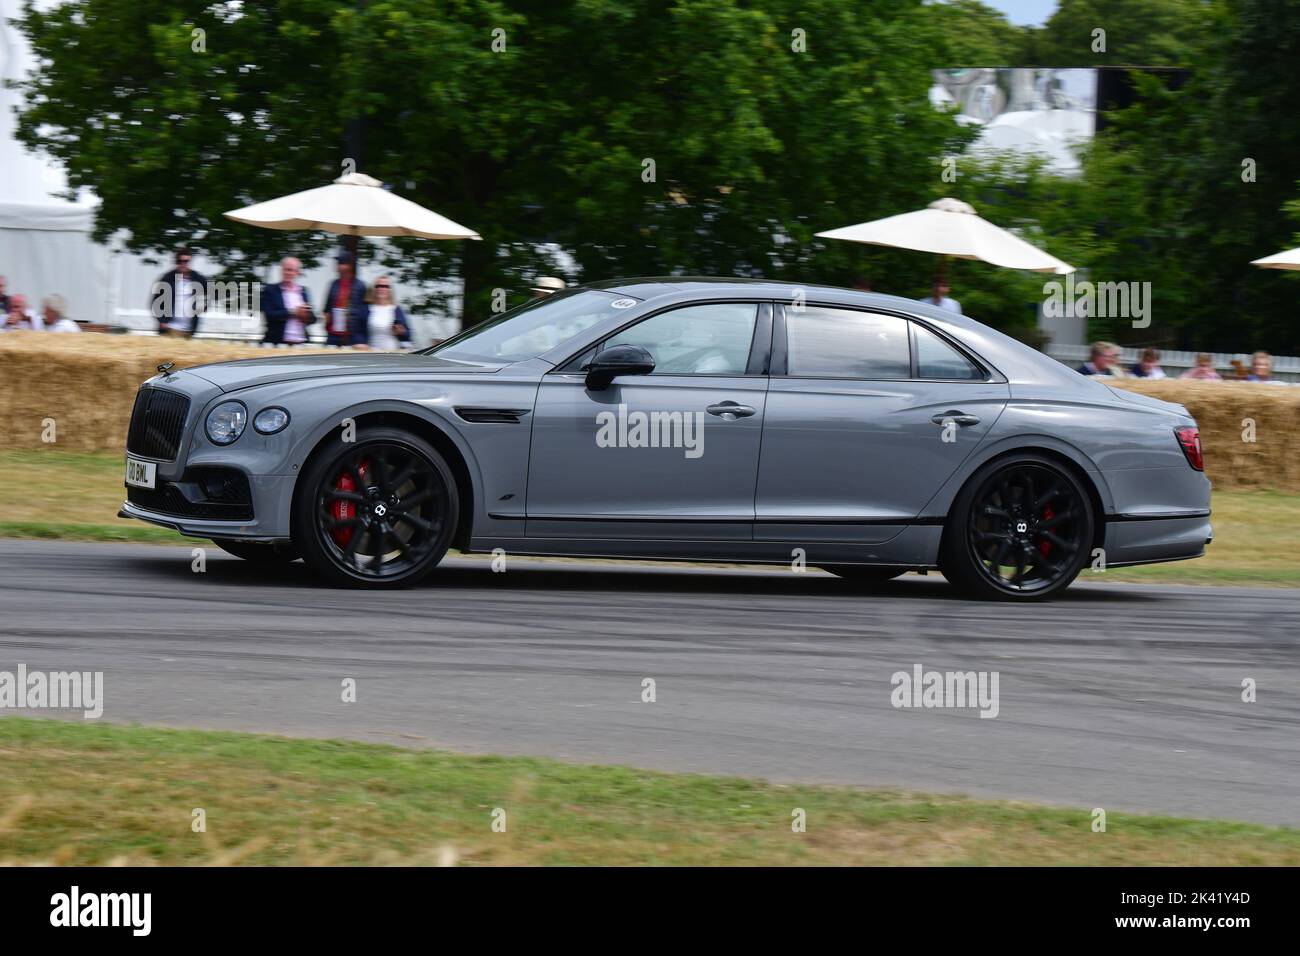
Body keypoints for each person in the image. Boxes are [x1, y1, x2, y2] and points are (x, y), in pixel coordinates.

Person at [151, 247, 206, 337]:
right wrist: (162, 321)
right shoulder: (167, 279)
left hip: (189, 330)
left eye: (186, 261)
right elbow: (154, 303)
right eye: (181, 261)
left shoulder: (197, 278)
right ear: (176, 262)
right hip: (170, 328)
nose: (183, 264)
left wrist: (204, 305)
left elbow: (210, 292)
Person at [261, 257, 315, 346]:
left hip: (300, 342)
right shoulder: (271, 290)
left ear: (297, 273)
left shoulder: (303, 291)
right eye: (285, 270)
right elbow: (268, 315)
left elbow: (313, 319)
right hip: (278, 342)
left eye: (290, 270)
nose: (287, 273)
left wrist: (306, 315)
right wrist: (293, 312)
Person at [322, 252, 369, 347]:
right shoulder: (333, 284)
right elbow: (326, 308)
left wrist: (362, 338)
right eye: (338, 262)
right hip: (333, 334)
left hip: (352, 336)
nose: (338, 265)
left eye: (341, 263)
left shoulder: (360, 286)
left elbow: (365, 313)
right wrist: (326, 317)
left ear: (350, 266)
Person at [364, 276, 412, 350]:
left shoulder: (396, 309)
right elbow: (359, 332)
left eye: (385, 286)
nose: (381, 289)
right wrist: (360, 342)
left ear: (390, 290)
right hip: (372, 352)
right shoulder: (366, 309)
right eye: (378, 286)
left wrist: (401, 331)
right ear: (373, 289)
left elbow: (408, 335)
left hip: (393, 353)